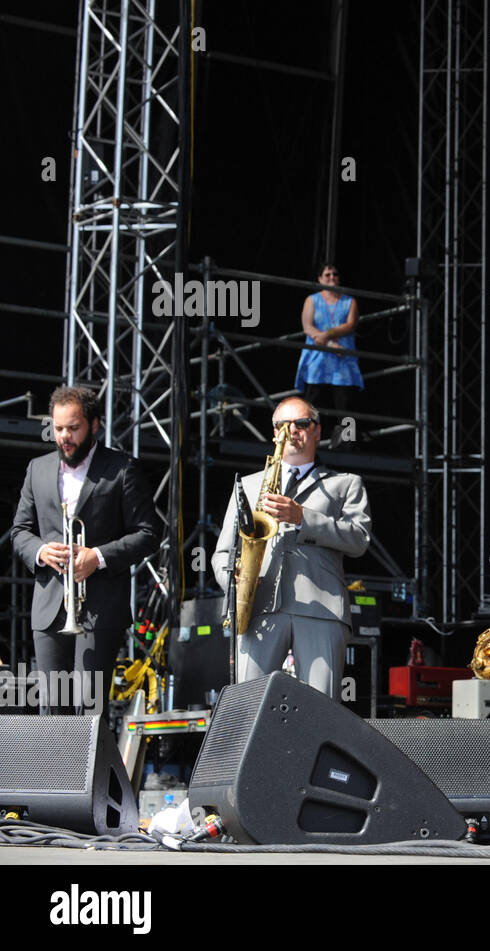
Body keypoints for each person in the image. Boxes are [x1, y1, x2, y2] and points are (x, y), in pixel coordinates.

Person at [10, 386, 161, 714]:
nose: (64, 436)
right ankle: (55, 768)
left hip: (100, 608)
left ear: (94, 425)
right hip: (50, 606)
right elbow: (19, 532)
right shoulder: (38, 469)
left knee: (88, 708)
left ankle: (87, 767)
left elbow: (149, 533)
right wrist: (40, 551)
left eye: (73, 428)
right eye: (59, 428)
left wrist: (98, 557)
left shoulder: (122, 468)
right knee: (53, 707)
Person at [212, 396, 371, 699]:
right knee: (248, 707)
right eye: (282, 425)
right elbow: (222, 552)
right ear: (274, 434)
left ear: (317, 431)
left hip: (321, 607)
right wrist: (232, 579)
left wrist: (302, 518)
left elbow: (359, 539)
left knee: (320, 710)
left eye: (301, 424)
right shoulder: (246, 485)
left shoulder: (346, 484)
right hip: (259, 605)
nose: (292, 430)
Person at [294, 262, 363, 446]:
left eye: (335, 274)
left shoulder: (349, 301)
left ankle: (347, 443)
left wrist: (328, 335)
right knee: (313, 400)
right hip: (319, 358)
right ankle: (306, 441)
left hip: (343, 360)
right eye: (327, 274)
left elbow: (350, 325)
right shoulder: (312, 300)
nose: (332, 277)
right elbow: (308, 326)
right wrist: (329, 342)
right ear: (320, 279)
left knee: (345, 403)